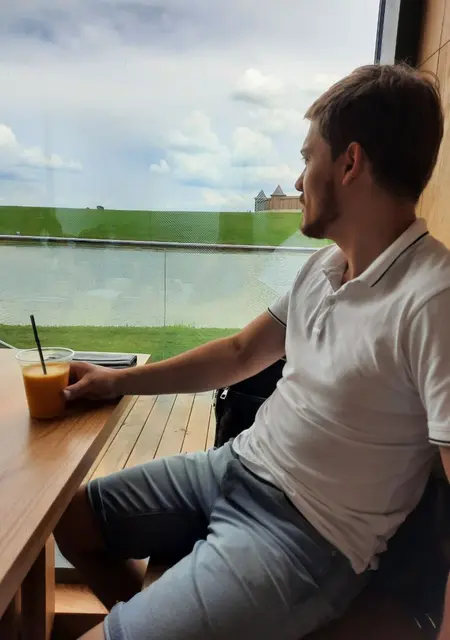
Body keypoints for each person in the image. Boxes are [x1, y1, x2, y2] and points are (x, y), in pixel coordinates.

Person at [55, 64, 450, 640]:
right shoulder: (324, 266)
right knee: (72, 519)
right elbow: (241, 353)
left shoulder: (434, 299)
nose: (297, 181)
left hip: (303, 538)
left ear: (349, 163)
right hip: (235, 466)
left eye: (307, 158)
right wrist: (116, 381)